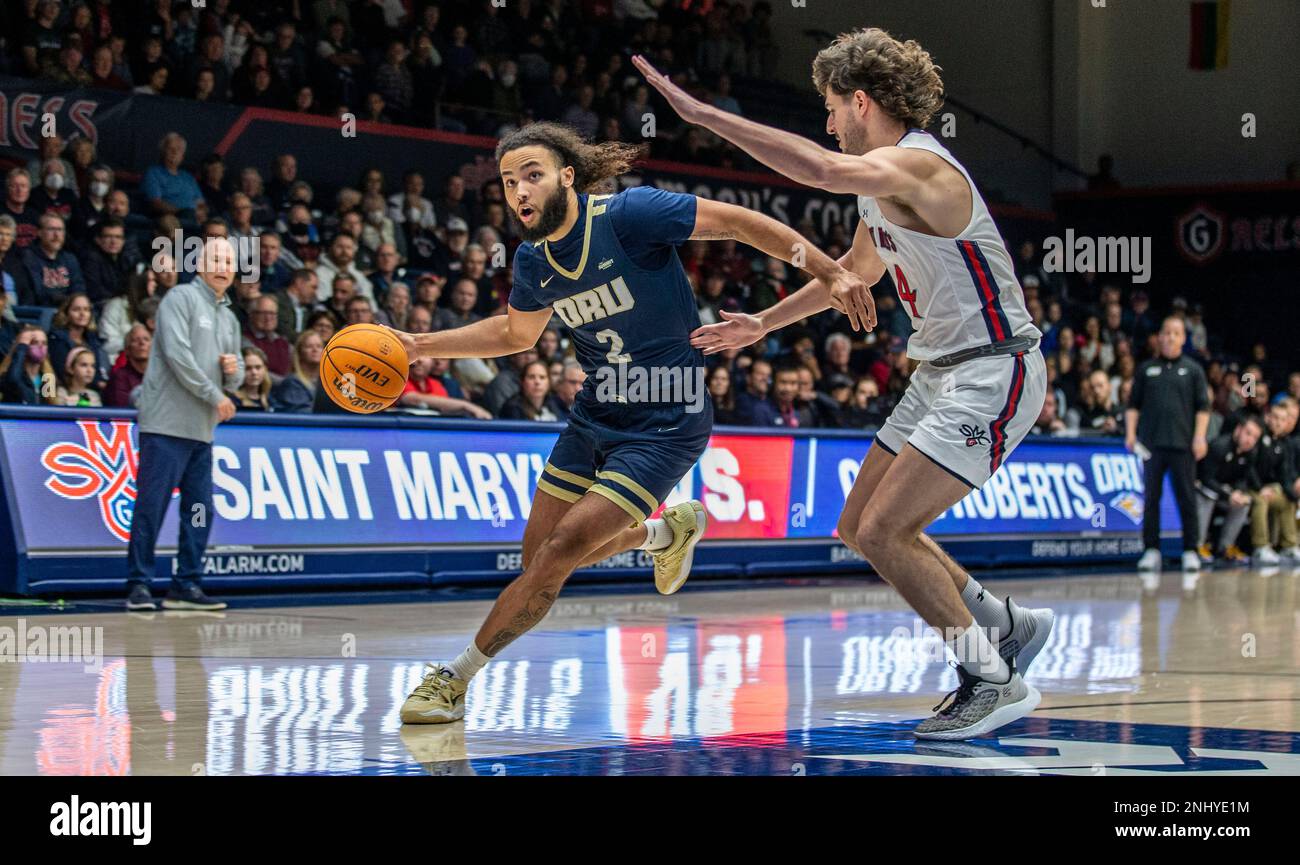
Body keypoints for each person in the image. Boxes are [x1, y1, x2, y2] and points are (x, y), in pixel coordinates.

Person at [637, 29, 1051, 740]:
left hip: (994, 367)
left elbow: (822, 170)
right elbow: (851, 275)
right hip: (940, 372)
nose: (827, 123)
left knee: (891, 531)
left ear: (861, 102)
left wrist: (705, 117)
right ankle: (1004, 625)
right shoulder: (877, 191)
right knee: (860, 527)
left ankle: (992, 677)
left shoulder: (925, 170)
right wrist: (763, 322)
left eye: (831, 108)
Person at [391, 121, 868, 725]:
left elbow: (742, 223)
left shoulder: (631, 214)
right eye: (510, 181)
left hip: (668, 417)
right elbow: (515, 334)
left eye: (532, 175)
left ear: (567, 176)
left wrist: (828, 271)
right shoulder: (533, 258)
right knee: (537, 558)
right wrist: (417, 344)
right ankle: (664, 534)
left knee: (558, 554)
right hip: (596, 411)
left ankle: (453, 679)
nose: (519, 191)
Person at [125, 237, 244, 613]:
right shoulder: (180, 299)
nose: (223, 266)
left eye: (229, 260)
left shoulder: (229, 317)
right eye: (216, 259)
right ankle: (139, 585)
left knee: (199, 509)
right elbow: (178, 357)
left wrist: (234, 374)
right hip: (165, 426)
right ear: (199, 265)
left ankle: (186, 584)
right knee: (152, 506)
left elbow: (237, 375)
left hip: (201, 432)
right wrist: (216, 395)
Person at [1125, 316, 1210, 573]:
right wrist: (1130, 434)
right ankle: (1151, 550)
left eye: (1176, 333)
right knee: (1151, 498)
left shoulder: (1193, 370)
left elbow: (1203, 408)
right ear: (1159, 337)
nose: (1171, 337)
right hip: (1152, 446)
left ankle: (1190, 551)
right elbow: (1133, 406)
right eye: (1166, 332)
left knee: (1187, 499)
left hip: (1183, 446)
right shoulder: (1146, 369)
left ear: (1184, 339)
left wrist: (1199, 436)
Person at [1195, 416, 1263, 565]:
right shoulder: (1220, 446)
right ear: (1238, 429)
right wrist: (1229, 494)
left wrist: (1239, 492)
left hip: (1225, 493)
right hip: (1203, 489)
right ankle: (1198, 545)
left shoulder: (1251, 452)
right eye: (1248, 433)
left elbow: (1243, 478)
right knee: (1208, 496)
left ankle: (1225, 547)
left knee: (1244, 503)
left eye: (1255, 437)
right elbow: (1206, 478)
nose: (1249, 440)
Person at [1249, 398, 1299, 563]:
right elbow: (1249, 467)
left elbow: (1284, 475)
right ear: (1268, 417)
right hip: (1250, 487)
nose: (1278, 422)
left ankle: (1289, 546)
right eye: (1275, 417)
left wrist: (1294, 496)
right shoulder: (1258, 436)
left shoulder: (1283, 444)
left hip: (1270, 488)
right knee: (1261, 500)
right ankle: (1260, 547)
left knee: (1286, 502)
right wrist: (1259, 488)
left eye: (1283, 419)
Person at [270, 330, 324, 413]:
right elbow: (302, 414)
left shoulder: (327, 382)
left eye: (319, 346)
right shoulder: (293, 383)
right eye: (309, 346)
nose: (315, 350)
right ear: (300, 352)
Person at [0, 325, 56, 405]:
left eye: (44, 343)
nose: (40, 346)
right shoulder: (9, 375)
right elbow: (13, 380)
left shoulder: (48, 377)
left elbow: (51, 405)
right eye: (34, 342)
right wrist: (22, 348)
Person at [499, 360, 565, 420]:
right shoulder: (512, 408)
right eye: (531, 377)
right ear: (522, 382)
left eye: (542, 377)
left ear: (549, 383)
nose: (537, 382)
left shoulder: (555, 403)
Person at [104, 324, 152, 408]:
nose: (142, 343)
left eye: (146, 339)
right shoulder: (119, 377)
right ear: (127, 350)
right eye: (135, 340)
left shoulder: (161, 376)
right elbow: (120, 411)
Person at [230, 346, 273, 411]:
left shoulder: (271, 400)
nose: (254, 372)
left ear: (265, 369)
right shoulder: (232, 401)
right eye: (248, 368)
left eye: (258, 367)